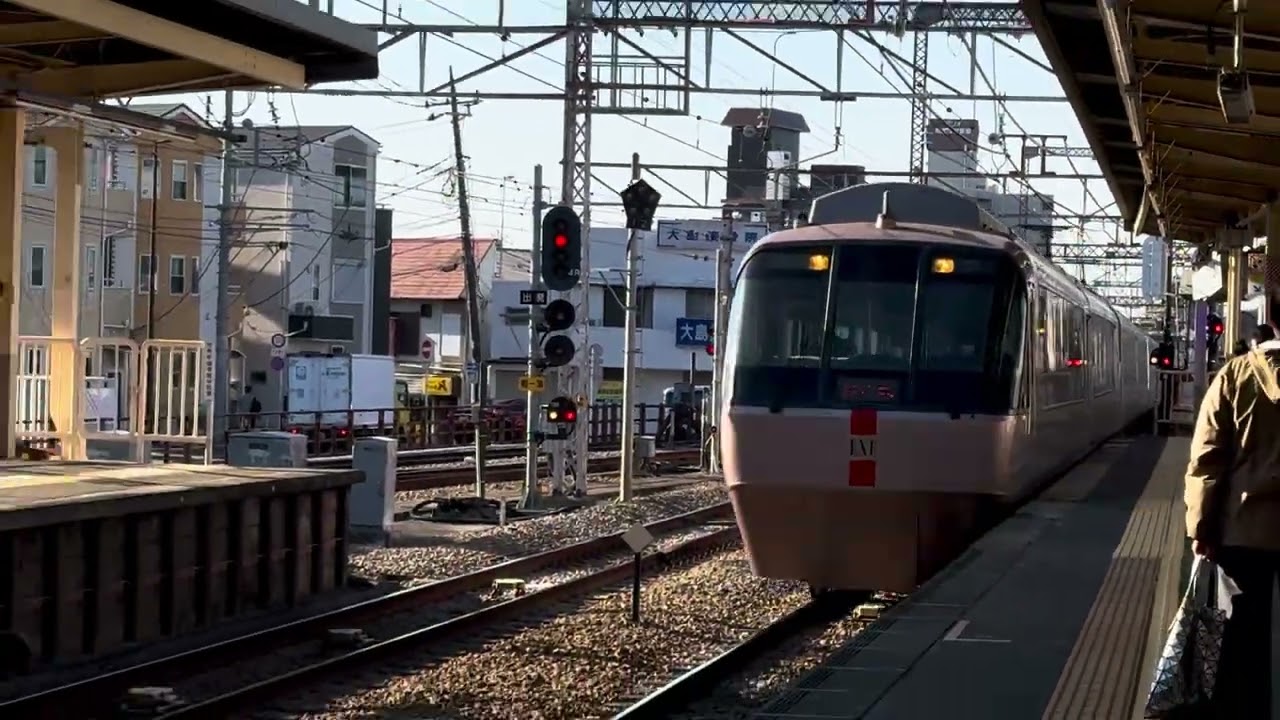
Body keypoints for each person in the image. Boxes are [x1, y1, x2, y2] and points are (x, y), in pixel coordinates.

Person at [1185, 305, 1280, 715]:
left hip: (1243, 534)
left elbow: (1207, 459)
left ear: (1272, 321)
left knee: (1243, 640)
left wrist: (1201, 529)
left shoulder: (1235, 375)